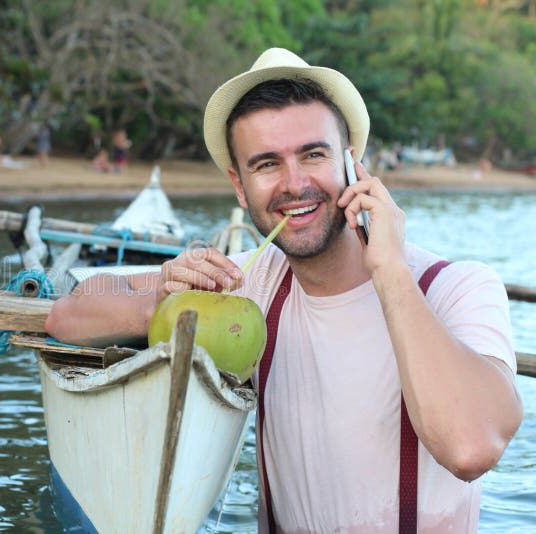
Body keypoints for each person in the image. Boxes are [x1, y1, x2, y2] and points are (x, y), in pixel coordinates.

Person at [44, 48, 522, 532]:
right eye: (267, 164)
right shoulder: (251, 285)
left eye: (313, 154)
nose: (294, 184)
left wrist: (391, 271)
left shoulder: (456, 288)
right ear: (239, 185)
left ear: (353, 164)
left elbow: (470, 449)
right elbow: (68, 314)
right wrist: (165, 301)